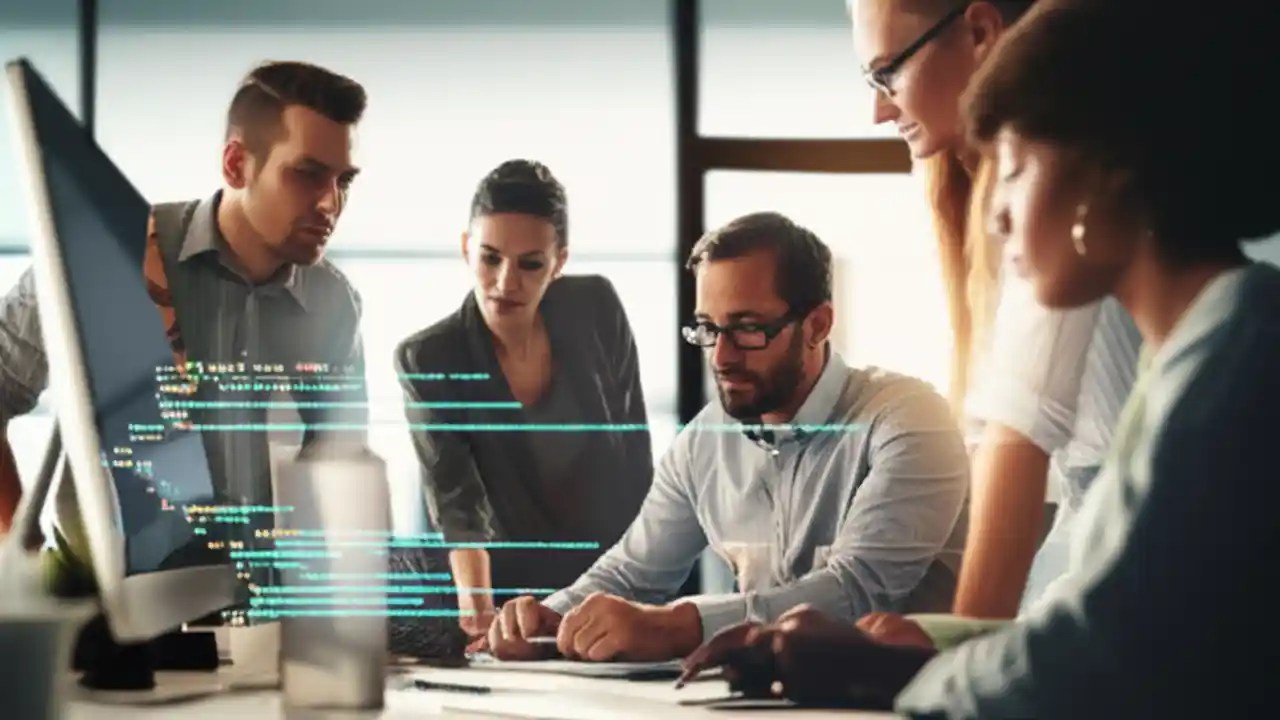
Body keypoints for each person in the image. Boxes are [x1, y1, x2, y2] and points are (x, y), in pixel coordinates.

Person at [682, 2, 1280, 715]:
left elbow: (1111, 650)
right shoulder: (1184, 354)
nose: (995, 214)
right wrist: (906, 645)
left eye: (1018, 169)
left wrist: (881, 673)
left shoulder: (1237, 348)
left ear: (1108, 173)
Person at [485, 211, 970, 662]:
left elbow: (858, 590)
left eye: (748, 329)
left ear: (817, 325)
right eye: (708, 329)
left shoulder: (909, 419)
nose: (720, 358)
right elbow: (633, 574)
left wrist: (677, 626)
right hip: (763, 701)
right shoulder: (704, 441)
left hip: (906, 701)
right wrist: (549, 619)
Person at [0, 60, 369, 588]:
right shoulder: (107, 254)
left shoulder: (335, 304)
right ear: (237, 164)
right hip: (107, 617)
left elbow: (338, 472)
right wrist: (23, 555)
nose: (331, 203)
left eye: (344, 181)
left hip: (262, 624)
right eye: (308, 174)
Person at [850, 0, 1141, 619]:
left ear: (981, 32)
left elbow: (1019, 442)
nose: (877, 109)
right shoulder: (1009, 215)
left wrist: (953, 655)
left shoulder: (1063, 221)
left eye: (887, 73)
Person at [394, 159, 653, 646]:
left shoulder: (596, 309)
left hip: (612, 592)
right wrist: (478, 614)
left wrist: (648, 597)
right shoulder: (429, 356)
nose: (506, 282)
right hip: (509, 606)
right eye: (490, 257)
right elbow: (457, 506)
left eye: (530, 263)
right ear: (466, 248)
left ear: (559, 262)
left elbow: (635, 464)